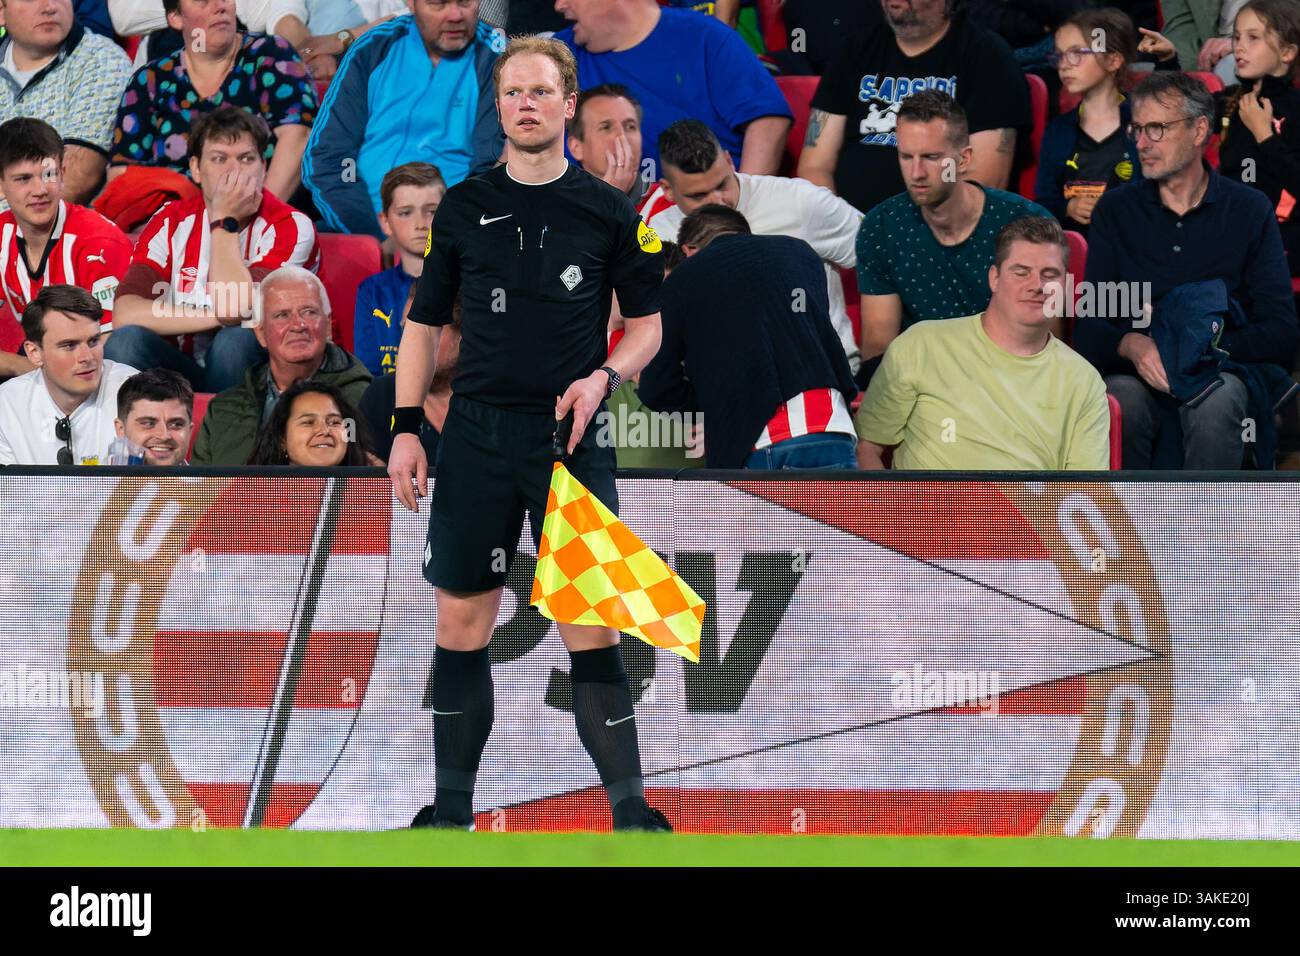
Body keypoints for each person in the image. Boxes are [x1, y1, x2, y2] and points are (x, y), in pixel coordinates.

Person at [389, 37, 668, 832]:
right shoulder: (464, 206)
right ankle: (449, 815)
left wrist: (603, 376)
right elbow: (423, 325)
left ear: (568, 103)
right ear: (499, 105)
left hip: (570, 439)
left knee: (590, 624)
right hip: (474, 436)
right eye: (513, 93)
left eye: (541, 91)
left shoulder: (614, 213)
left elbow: (648, 326)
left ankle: (632, 815)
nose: (526, 105)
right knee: (461, 624)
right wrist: (408, 429)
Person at [1073, 71, 1299, 468]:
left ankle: (1205, 529)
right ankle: (1126, 529)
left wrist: (1197, 352)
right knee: (1120, 399)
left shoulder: (1247, 209)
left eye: (1157, 129)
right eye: (1137, 129)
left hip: (1220, 368)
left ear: (1199, 131)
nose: (1141, 143)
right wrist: (1131, 345)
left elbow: (1280, 330)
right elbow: (1090, 326)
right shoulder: (1116, 210)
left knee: (1216, 398)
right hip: (1138, 374)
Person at [855, 216, 1110, 471]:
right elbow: (865, 449)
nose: (1036, 286)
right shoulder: (920, 345)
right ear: (994, 278)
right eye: (1021, 272)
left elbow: (1085, 492)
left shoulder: (1084, 380)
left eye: (1050, 275)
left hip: (1027, 511)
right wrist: (894, 510)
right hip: (928, 509)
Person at [108, 107, 321, 393]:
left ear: (263, 167)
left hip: (263, 375)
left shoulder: (291, 226)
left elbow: (234, 306)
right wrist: (217, 316)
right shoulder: (170, 220)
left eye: (246, 159)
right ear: (196, 168)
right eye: (219, 159)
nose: (234, 170)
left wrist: (224, 220)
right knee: (125, 341)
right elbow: (125, 313)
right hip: (181, 367)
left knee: (235, 339)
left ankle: (227, 434)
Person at [640, 205, 859, 469]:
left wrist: (715, 405)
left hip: (760, 441)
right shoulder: (801, 253)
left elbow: (655, 387)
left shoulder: (684, 277)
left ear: (688, 251)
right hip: (834, 425)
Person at [646, 119, 864, 373]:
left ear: (729, 161)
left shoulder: (800, 202)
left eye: (721, 185)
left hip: (819, 374)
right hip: (715, 385)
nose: (717, 202)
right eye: (699, 196)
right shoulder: (658, 234)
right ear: (668, 190)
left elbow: (882, 252)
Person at [856, 91, 1051, 373]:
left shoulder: (1029, 225)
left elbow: (1043, 347)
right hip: (919, 385)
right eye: (906, 157)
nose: (917, 172)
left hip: (1009, 384)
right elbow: (879, 348)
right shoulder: (881, 226)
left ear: (963, 159)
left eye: (932, 157)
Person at [797, 0, 1031, 216]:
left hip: (939, 237)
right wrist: (844, 228)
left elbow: (983, 182)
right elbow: (815, 165)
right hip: (847, 231)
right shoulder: (854, 49)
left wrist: (910, 238)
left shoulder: (987, 56)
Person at [303, 2, 505, 239]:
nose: (455, 15)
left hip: (451, 231)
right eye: (438, 3)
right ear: (411, 3)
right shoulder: (373, 48)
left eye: (465, 1)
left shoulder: (496, 58)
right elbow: (329, 158)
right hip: (362, 228)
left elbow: (488, 168)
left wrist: (432, 234)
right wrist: (373, 233)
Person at [553, 0, 792, 178]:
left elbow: (768, 123)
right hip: (589, 224)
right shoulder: (555, 56)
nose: (559, 5)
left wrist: (741, 212)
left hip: (702, 220)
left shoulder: (704, 37)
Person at [107, 0, 316, 202]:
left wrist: (256, 220)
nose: (220, 6)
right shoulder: (150, 80)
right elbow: (122, 172)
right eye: (203, 1)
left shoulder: (271, 55)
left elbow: (298, 138)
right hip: (173, 226)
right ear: (175, 18)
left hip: (265, 219)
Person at [191, 265, 371, 464]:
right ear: (260, 333)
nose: (298, 325)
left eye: (309, 312)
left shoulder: (365, 400)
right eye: (282, 315)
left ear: (328, 325)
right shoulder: (223, 409)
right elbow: (201, 491)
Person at [0, 118, 131, 379]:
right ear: (1, 185)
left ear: (63, 173)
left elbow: (111, 350)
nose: (39, 190)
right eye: (24, 179)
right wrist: (22, 367)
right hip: (46, 365)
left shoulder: (98, 242)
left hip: (113, 374)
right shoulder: (2, 233)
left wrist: (23, 369)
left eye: (49, 175)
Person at [0, 0, 134, 206]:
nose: (50, 7)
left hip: (64, 232)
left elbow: (74, 180)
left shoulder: (103, 60)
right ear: (2, 11)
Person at [1036, 8, 1144, 237]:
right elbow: (1043, 201)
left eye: (1077, 53)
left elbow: (1159, 194)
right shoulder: (1058, 130)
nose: (1064, 65)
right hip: (1073, 248)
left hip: (1129, 248)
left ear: (1113, 60)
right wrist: (1068, 208)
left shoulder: (1142, 124)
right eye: (1059, 55)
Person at [0, 283, 137, 464]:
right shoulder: (7, 405)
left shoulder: (135, 393)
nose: (87, 357)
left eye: (93, 341)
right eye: (69, 345)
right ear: (34, 353)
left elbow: (175, 486)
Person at [1214, 0, 1300, 274]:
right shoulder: (1229, 99)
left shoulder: (1296, 107)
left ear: (1287, 52)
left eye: (1253, 38)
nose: (1239, 47)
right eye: (1236, 37)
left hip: (1283, 238)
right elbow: (1176, 114)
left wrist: (1265, 135)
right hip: (1229, 231)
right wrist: (1168, 63)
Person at [353, 162, 445, 377]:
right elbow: (370, 372)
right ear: (385, 222)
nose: (420, 224)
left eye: (432, 211)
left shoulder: (466, 283)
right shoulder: (372, 290)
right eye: (405, 213)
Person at [358, 291, 458, 462]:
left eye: (427, 331)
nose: (410, 343)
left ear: (462, 336)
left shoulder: (494, 398)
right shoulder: (380, 396)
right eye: (406, 329)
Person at [247, 378, 375, 464]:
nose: (324, 431)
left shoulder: (381, 495)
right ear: (282, 439)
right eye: (308, 422)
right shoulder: (245, 495)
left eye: (334, 422)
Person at [567, 83, 648, 206]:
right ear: (576, 148)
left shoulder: (672, 205)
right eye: (606, 127)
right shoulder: (558, 207)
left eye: (630, 127)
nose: (622, 136)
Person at [1140, 0, 1242, 83]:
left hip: (1242, 57)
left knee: (1228, 65)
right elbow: (1181, 38)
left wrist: (1241, 41)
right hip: (1202, 63)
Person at [113, 366, 194, 465]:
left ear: (189, 431)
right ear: (121, 429)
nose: (164, 436)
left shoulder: (211, 481)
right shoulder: (97, 480)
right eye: (148, 423)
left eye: (176, 424)